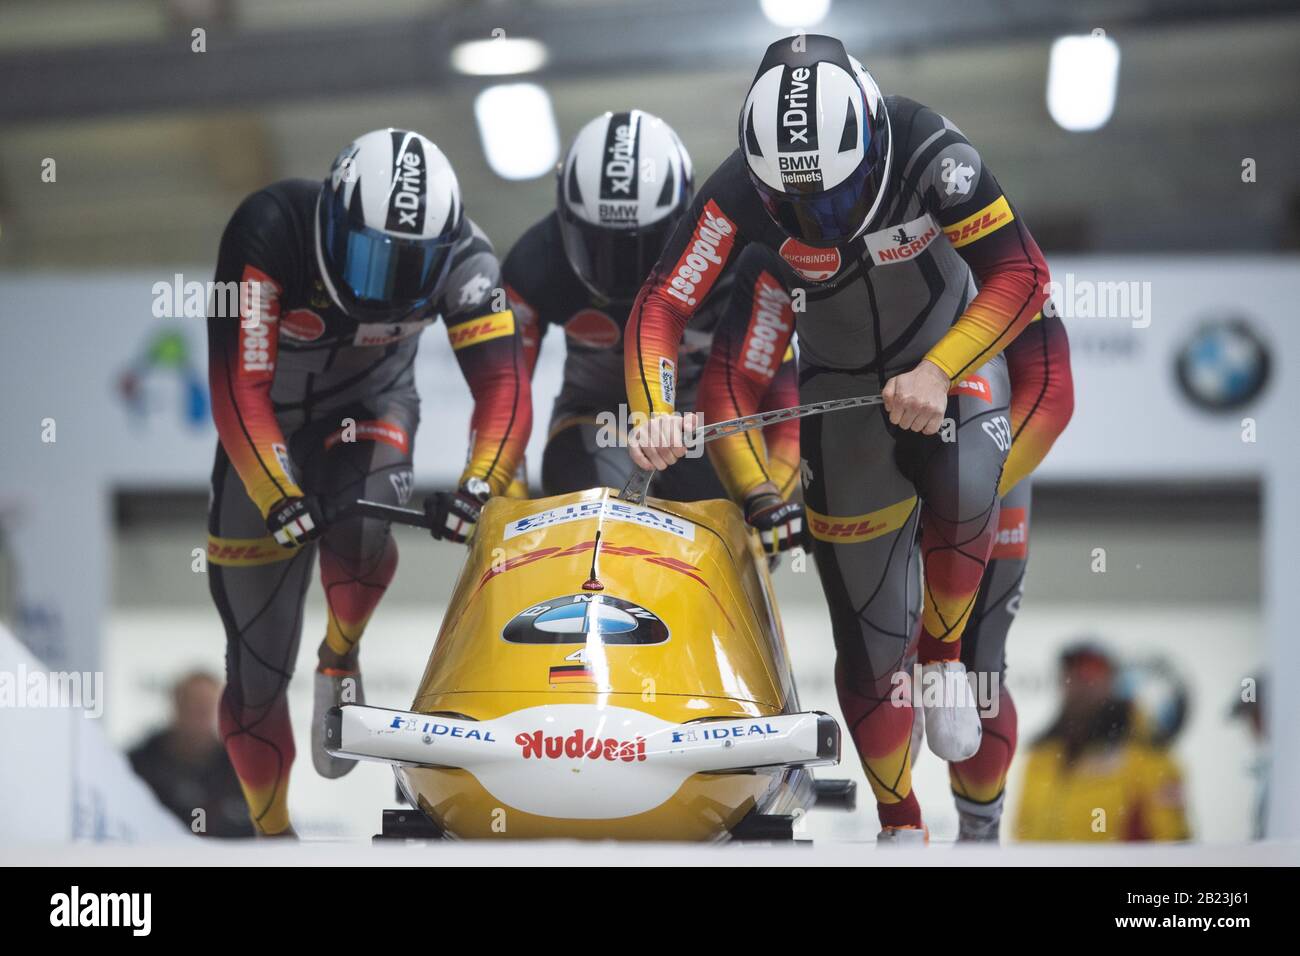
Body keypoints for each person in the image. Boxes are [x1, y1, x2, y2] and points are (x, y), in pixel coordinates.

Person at [626, 35, 1050, 841]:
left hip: (951, 372)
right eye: (798, 205)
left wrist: (940, 366)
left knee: (968, 472)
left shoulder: (934, 151)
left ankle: (946, 658)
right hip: (843, 401)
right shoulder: (735, 196)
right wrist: (653, 402)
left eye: (837, 196)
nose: (822, 219)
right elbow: (662, 305)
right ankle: (900, 824)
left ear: (871, 142)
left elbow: (1020, 274)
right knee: (864, 641)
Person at [206, 128, 531, 836]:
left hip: (371, 413)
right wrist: (277, 494)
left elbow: (504, 390)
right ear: (334, 217)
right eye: (370, 257)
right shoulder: (269, 230)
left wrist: (481, 485)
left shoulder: (468, 259)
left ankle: (340, 653)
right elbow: (238, 386)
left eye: (408, 268)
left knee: (365, 519)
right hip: (266, 427)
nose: (383, 286)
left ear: (442, 252)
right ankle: (273, 837)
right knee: (256, 676)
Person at [503, 110, 802, 549]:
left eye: (645, 246)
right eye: (602, 247)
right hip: (598, 419)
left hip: (698, 429)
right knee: (586, 485)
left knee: (720, 519)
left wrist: (768, 500)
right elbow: (509, 392)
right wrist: (503, 498)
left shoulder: (738, 257)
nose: (628, 272)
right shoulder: (534, 264)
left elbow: (781, 398)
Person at [1014, 643, 1191, 842]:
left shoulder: (1149, 756)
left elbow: (1175, 842)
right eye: (1070, 673)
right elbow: (1022, 834)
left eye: (1091, 672)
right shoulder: (1041, 755)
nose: (1080, 683)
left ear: (1115, 683)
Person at [128, 671, 254, 838]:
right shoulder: (138, 766)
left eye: (206, 707)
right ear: (175, 706)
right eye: (193, 706)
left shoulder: (243, 770)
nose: (199, 715)